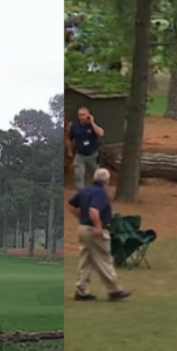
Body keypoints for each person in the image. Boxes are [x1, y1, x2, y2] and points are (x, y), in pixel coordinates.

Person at [67, 168, 131, 301]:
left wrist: (80, 217)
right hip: (93, 230)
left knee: (87, 259)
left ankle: (81, 290)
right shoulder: (100, 193)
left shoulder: (85, 190)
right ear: (106, 181)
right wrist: (98, 226)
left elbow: (71, 205)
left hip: (83, 228)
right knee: (104, 258)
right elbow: (94, 210)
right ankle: (114, 290)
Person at [68, 107, 104, 188]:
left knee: (97, 175)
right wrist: (70, 151)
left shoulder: (92, 125)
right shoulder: (75, 127)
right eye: (80, 115)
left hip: (93, 155)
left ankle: (98, 191)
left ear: (88, 115)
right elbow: (70, 139)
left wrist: (92, 122)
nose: (82, 117)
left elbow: (100, 133)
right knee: (78, 175)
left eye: (84, 115)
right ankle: (81, 193)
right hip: (80, 155)